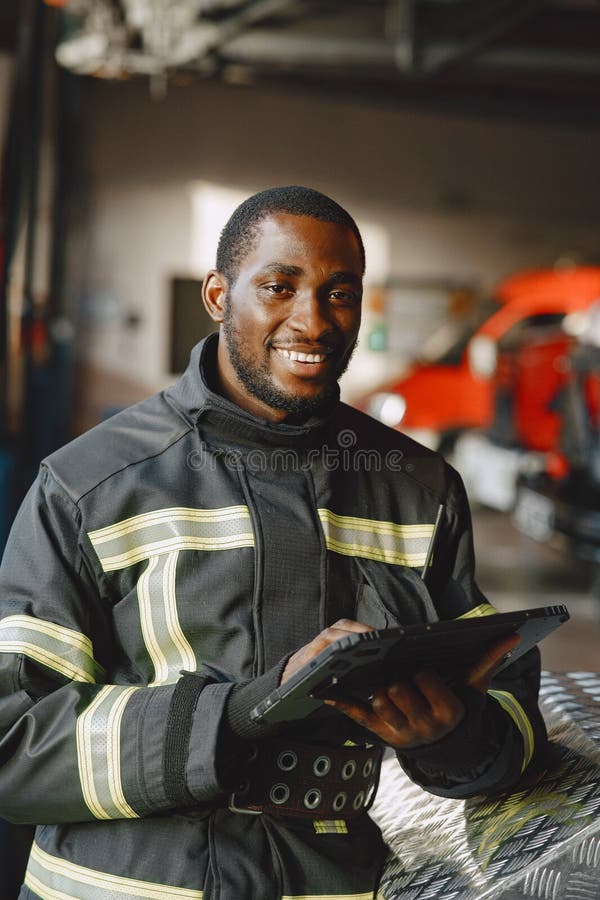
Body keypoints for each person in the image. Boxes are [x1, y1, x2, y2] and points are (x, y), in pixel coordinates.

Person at [0, 186, 545, 899]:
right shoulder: (90, 485)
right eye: (279, 287)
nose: (312, 320)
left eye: (340, 293)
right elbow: (15, 741)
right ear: (219, 295)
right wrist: (236, 716)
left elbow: (510, 713)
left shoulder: (419, 488)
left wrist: (453, 738)